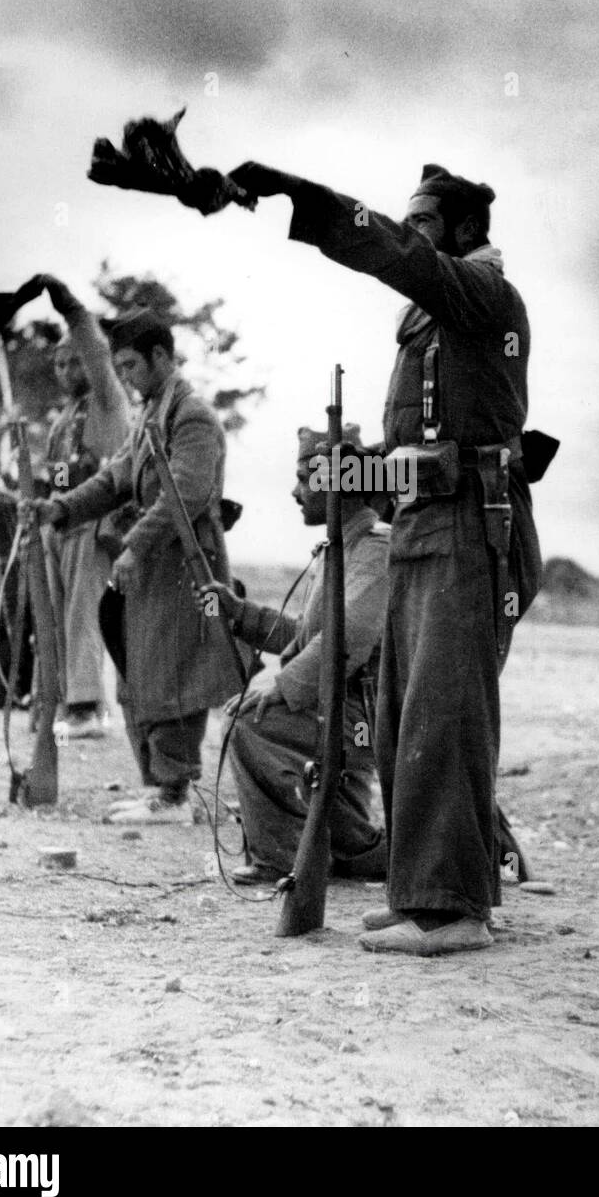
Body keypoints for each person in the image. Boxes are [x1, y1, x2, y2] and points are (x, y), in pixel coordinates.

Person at [227, 159, 543, 954]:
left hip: (474, 525)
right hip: (420, 528)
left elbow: (397, 254)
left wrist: (306, 197)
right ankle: (421, 891)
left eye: (427, 223)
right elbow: (407, 453)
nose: (413, 237)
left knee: (447, 714)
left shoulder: (483, 295)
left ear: (468, 233)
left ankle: (453, 911)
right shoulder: (432, 320)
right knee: (409, 714)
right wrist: (349, 465)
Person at [28, 309, 243, 822]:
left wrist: (133, 548)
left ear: (161, 357)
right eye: (118, 367)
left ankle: (174, 793)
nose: (124, 377)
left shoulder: (191, 417)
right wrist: (60, 508)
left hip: (185, 565)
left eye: (132, 366)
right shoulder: (150, 414)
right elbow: (115, 478)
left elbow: (182, 498)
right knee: (137, 673)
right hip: (151, 566)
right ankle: (160, 787)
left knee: (174, 675)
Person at [196, 424, 389, 885]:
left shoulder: (375, 551)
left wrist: (280, 687)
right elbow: (307, 637)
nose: (295, 490)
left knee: (248, 723)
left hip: (367, 723)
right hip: (341, 710)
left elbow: (346, 640)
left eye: (306, 477)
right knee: (259, 720)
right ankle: (354, 847)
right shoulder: (341, 549)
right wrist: (240, 614)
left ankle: (285, 859)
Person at [24, 274, 131, 739]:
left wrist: (67, 305)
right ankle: (68, 702)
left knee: (81, 615)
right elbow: (58, 479)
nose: (68, 371)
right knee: (56, 615)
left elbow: (96, 348)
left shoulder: (108, 404)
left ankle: (87, 708)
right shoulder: (62, 420)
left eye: (74, 362)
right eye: (60, 364)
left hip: (94, 525)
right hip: (62, 527)